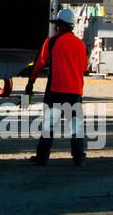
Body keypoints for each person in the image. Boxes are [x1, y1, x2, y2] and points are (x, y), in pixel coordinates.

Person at [25, 9, 89, 167]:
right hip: (75, 92)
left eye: (57, 25)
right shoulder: (81, 45)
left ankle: (42, 157)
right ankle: (79, 158)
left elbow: (40, 62)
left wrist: (31, 81)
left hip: (56, 90)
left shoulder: (52, 42)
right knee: (75, 126)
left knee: (49, 126)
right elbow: (84, 67)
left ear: (61, 25)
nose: (55, 27)